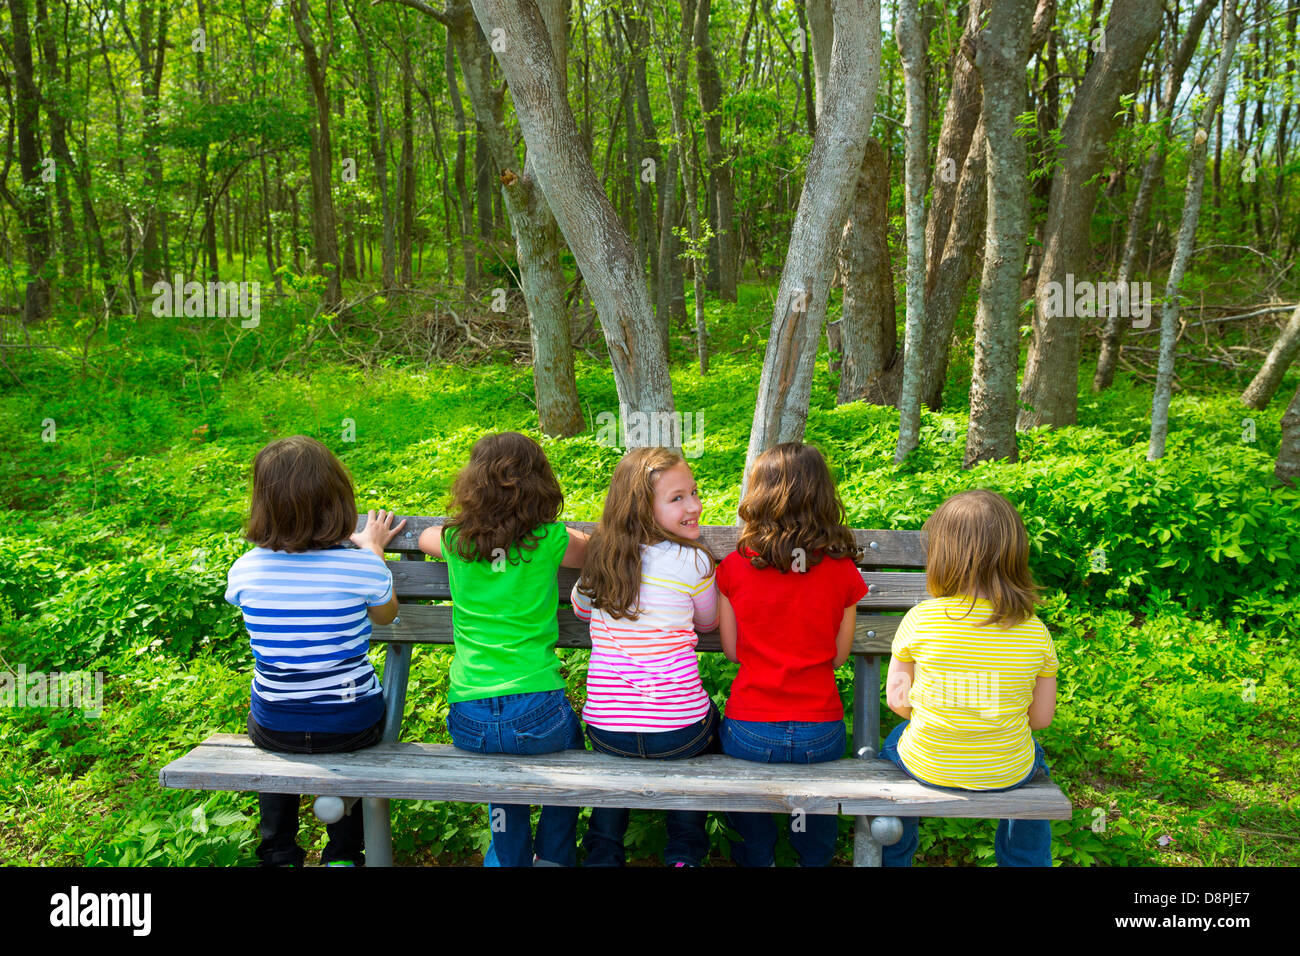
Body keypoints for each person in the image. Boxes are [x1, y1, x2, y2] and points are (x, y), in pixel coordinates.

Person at [225, 435, 406, 867]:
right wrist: (373, 551)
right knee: (345, 735)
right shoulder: (360, 565)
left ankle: (279, 852)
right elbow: (386, 617)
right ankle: (344, 853)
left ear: (263, 506)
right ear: (336, 500)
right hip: (350, 724)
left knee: (275, 731)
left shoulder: (246, 568)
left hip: (275, 722)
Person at [419, 431, 589, 866]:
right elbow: (594, 552)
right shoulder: (549, 540)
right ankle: (553, 856)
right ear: (540, 486)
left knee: (504, 777)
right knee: (572, 754)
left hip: (470, 717)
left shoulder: (457, 542)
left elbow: (425, 539)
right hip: (538, 709)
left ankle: (507, 860)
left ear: (472, 486)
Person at [880, 488, 1059, 867]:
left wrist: (945, 716)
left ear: (942, 554)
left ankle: (895, 856)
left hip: (927, 763)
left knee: (894, 746)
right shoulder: (1035, 630)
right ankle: (1025, 861)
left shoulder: (921, 619)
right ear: (1014, 554)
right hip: (1006, 770)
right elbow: (1040, 720)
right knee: (1033, 760)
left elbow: (897, 702)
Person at [715, 443, 865, 866]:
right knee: (813, 810)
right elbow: (837, 658)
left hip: (751, 728)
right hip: (821, 730)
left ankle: (756, 858)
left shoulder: (735, 567)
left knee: (750, 811)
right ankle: (812, 859)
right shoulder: (842, 571)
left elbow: (731, 650)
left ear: (758, 496)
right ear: (822, 497)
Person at [571, 447, 720, 867]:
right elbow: (708, 622)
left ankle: (603, 854)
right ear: (641, 506)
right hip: (681, 733)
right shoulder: (694, 560)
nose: (694, 506)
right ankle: (684, 854)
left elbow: (582, 608)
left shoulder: (602, 557)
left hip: (607, 731)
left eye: (693, 492)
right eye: (677, 498)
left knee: (610, 774)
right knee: (708, 737)